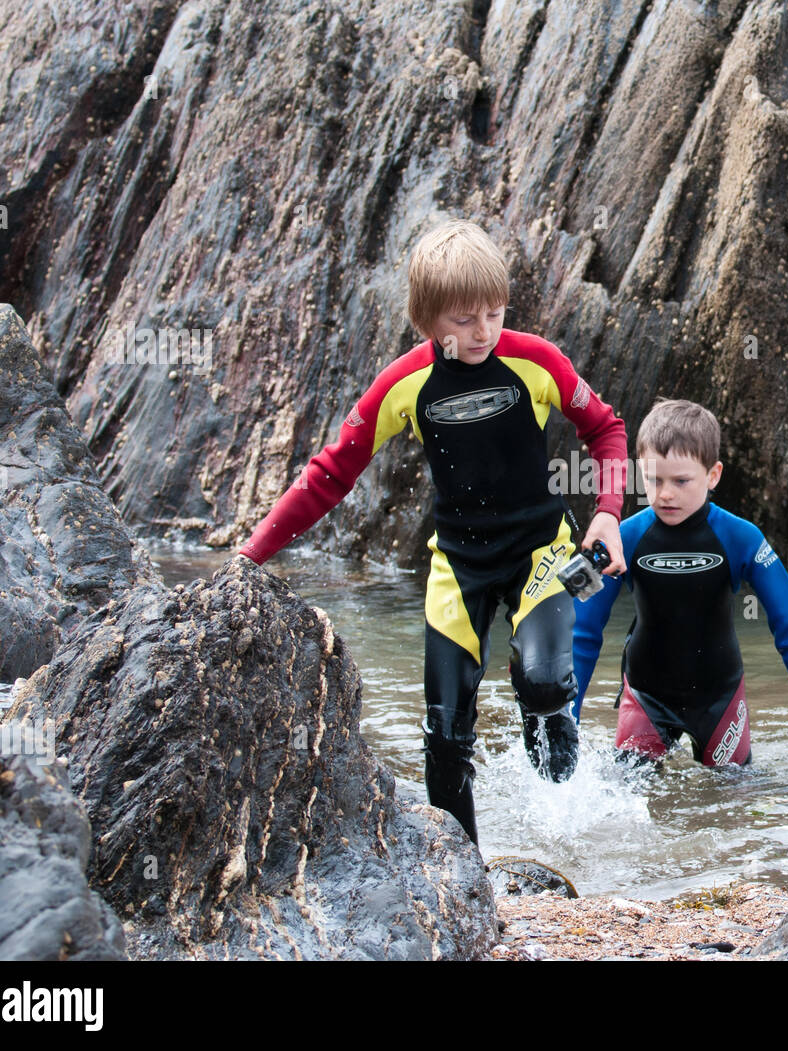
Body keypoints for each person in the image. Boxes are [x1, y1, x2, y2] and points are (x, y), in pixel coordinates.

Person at [238, 218, 628, 846]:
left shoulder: (535, 360)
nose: (483, 332)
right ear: (427, 321)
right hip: (458, 566)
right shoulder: (404, 385)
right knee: (445, 732)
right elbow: (329, 474)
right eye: (464, 319)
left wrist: (607, 511)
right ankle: (463, 870)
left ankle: (569, 833)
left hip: (543, 551)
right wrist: (252, 555)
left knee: (546, 682)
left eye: (494, 313)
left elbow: (606, 431)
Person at [572, 398, 788, 777]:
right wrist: (567, 718)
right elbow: (582, 631)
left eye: (681, 481)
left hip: (721, 701)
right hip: (646, 698)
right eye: (652, 479)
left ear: (713, 475)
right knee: (624, 799)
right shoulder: (623, 538)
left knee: (731, 809)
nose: (664, 494)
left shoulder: (742, 538)